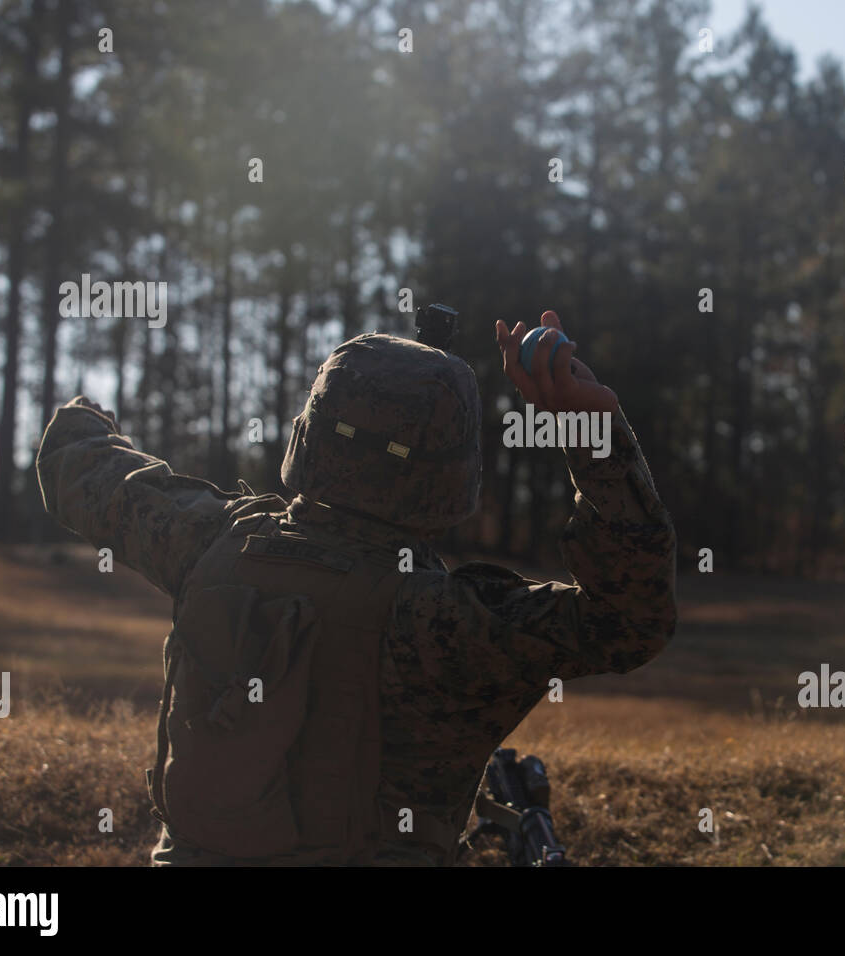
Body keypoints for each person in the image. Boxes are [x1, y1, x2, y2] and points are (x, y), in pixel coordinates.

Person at [36, 310, 677, 865]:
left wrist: (85, 420)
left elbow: (85, 476)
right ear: (453, 473)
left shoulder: (208, 541)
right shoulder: (450, 624)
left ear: (308, 432)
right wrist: (594, 435)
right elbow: (627, 620)